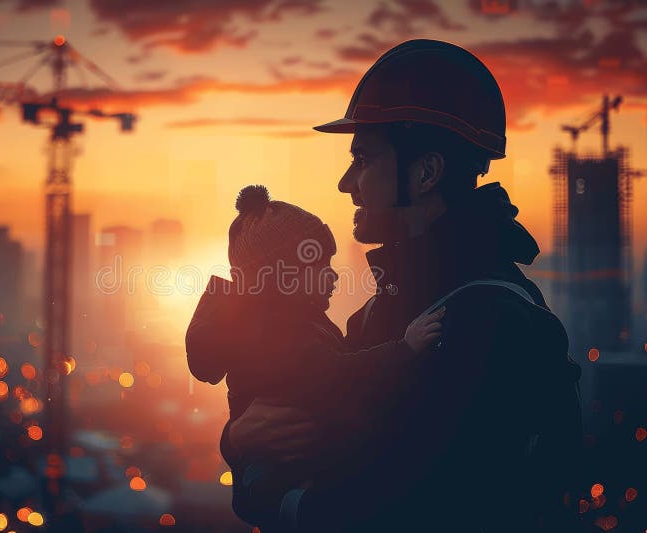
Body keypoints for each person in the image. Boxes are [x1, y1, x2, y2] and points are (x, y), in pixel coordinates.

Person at [224, 39, 583, 532]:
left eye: (364, 160)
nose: (346, 183)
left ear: (426, 173)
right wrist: (240, 439)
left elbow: (414, 504)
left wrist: (278, 502)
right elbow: (325, 443)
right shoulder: (386, 312)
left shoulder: (489, 323)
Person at [186, 184, 446, 531]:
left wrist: (235, 440)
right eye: (320, 264)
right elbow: (336, 372)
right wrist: (405, 348)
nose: (334, 274)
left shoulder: (286, 323)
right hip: (287, 477)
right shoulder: (278, 333)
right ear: (285, 278)